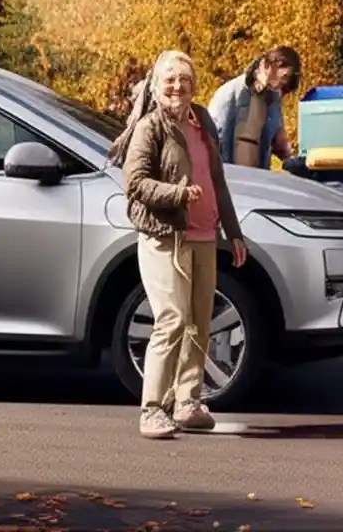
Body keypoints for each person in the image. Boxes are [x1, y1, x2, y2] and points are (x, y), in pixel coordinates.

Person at [108, 49, 249, 439]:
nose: (177, 85)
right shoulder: (150, 127)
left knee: (198, 324)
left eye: (184, 79)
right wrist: (176, 195)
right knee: (170, 319)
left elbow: (216, 179)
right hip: (163, 236)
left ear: (194, 86)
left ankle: (187, 402)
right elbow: (133, 183)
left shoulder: (201, 120)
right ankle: (152, 408)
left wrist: (233, 231)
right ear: (156, 86)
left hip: (204, 236)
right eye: (169, 79)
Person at [207, 46, 301, 169]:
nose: (283, 88)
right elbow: (211, 140)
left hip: (257, 177)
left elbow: (278, 139)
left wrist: (293, 160)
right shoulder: (232, 94)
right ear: (272, 65)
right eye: (284, 78)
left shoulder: (272, 96)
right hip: (229, 176)